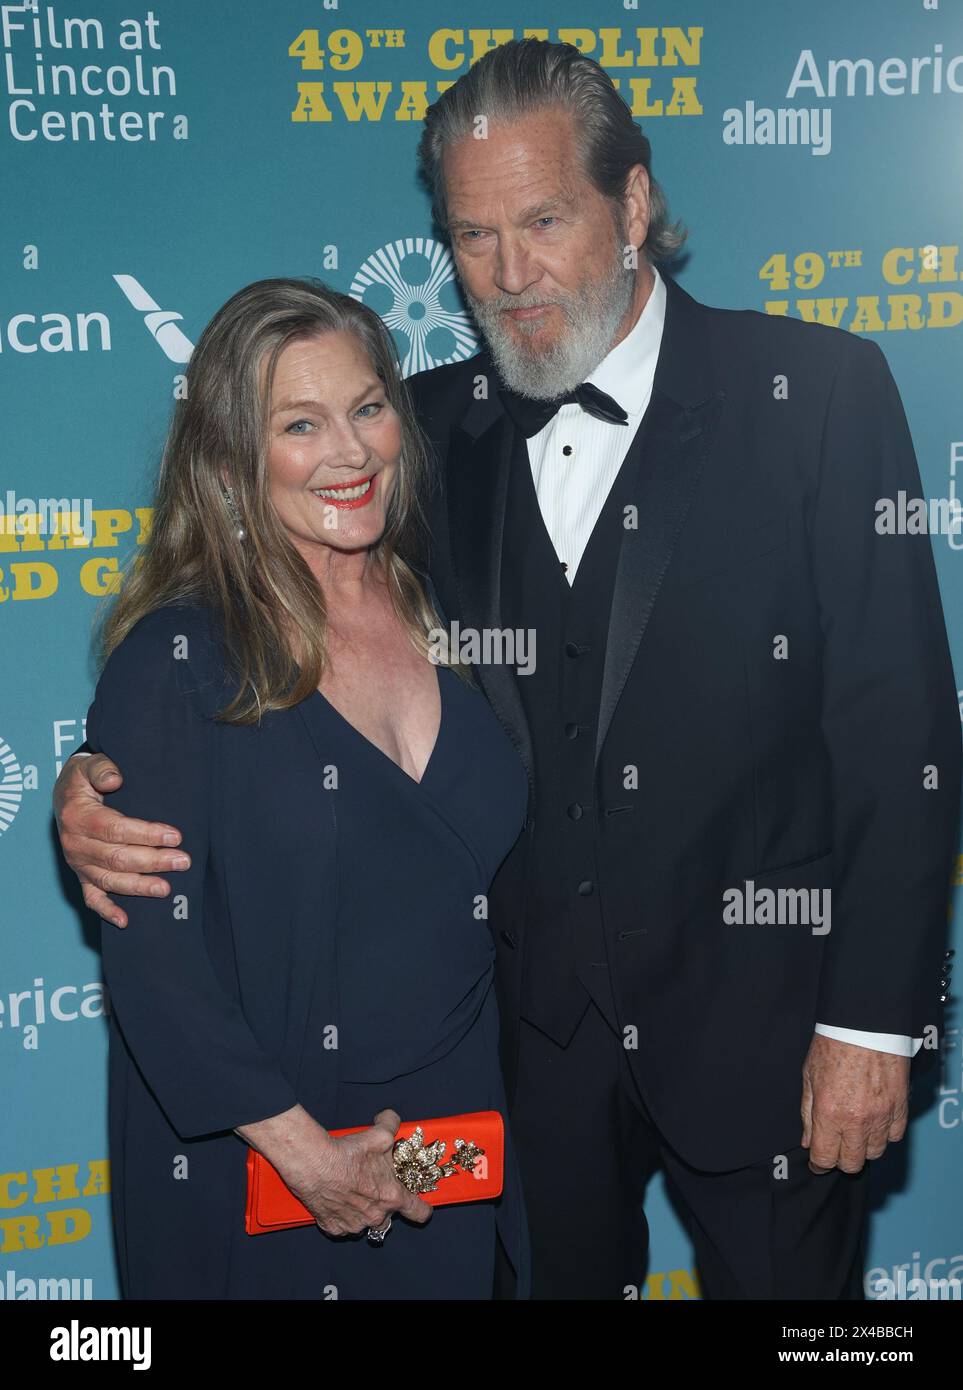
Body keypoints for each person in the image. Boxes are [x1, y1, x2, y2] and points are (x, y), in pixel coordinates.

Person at [55, 40, 960, 1300]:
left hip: (771, 1038)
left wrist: (870, 1025)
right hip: (518, 1070)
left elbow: (899, 731)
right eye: (473, 235)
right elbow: (241, 613)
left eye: (543, 220)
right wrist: (96, 782)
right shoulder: (418, 426)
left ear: (632, 204)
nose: (509, 273)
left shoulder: (814, 395)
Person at [71, 277, 530, 1299]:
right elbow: (157, 963)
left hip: (447, 1149)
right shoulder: (179, 657)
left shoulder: (452, 605)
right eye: (299, 423)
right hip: (265, 1158)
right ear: (232, 458)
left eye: (368, 408)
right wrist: (304, 1154)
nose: (349, 452)